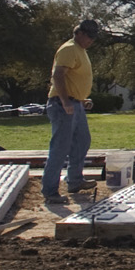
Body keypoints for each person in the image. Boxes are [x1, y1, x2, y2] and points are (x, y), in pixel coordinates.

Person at [44, 19, 100, 202]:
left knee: (82, 142)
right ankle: (50, 191)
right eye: (89, 36)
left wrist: (81, 99)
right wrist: (65, 101)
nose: (91, 40)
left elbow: (74, 79)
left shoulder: (80, 50)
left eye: (93, 37)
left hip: (76, 104)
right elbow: (58, 75)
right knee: (60, 148)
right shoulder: (69, 49)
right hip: (63, 106)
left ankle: (75, 180)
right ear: (79, 33)